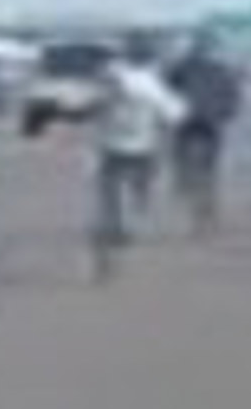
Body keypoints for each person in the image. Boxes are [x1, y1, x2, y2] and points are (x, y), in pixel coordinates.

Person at [90, 32, 186, 253]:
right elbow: (175, 113)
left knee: (109, 187)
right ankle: (127, 225)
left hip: (111, 142)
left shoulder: (110, 76)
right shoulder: (151, 82)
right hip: (144, 145)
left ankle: (113, 224)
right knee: (140, 188)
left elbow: (95, 106)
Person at [165, 32, 243, 233]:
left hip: (191, 120)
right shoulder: (218, 69)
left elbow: (167, 90)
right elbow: (232, 96)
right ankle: (203, 208)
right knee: (206, 168)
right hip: (206, 121)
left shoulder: (183, 67)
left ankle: (194, 202)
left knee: (189, 164)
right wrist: (226, 113)